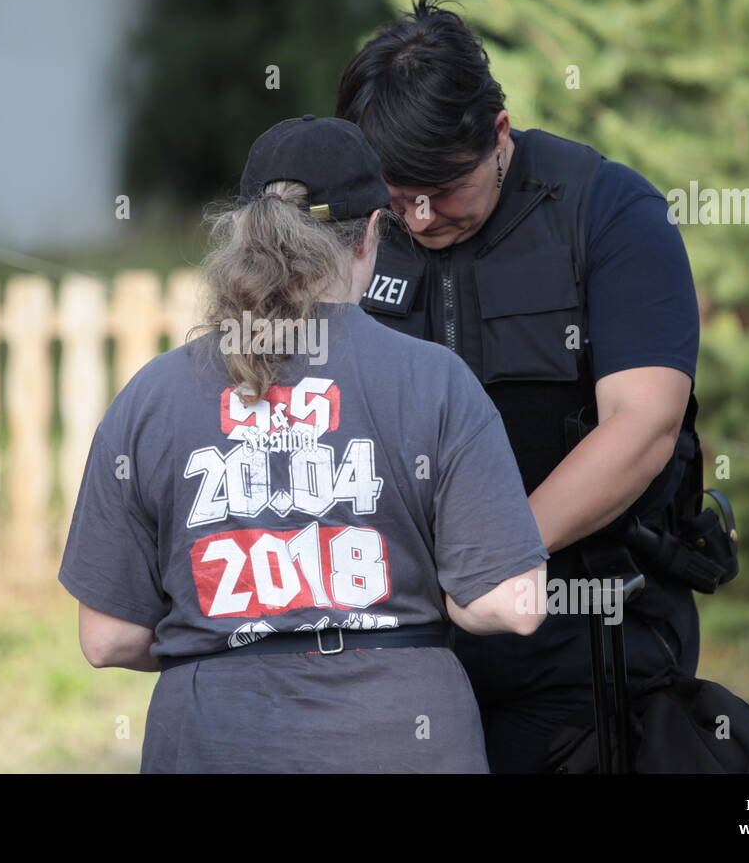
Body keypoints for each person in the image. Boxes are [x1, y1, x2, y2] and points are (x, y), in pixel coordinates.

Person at [59, 114, 549, 773]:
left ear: (243, 234)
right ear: (373, 233)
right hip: (402, 738)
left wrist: (231, 632)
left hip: (214, 739)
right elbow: (511, 604)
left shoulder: (150, 398)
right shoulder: (434, 382)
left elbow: (109, 635)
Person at [336, 0, 711, 773]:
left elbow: (643, 424)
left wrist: (495, 558)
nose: (421, 217)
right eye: (397, 195)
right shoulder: (349, 232)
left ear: (498, 135)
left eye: (443, 189)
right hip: (394, 638)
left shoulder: (608, 210)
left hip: (580, 630)